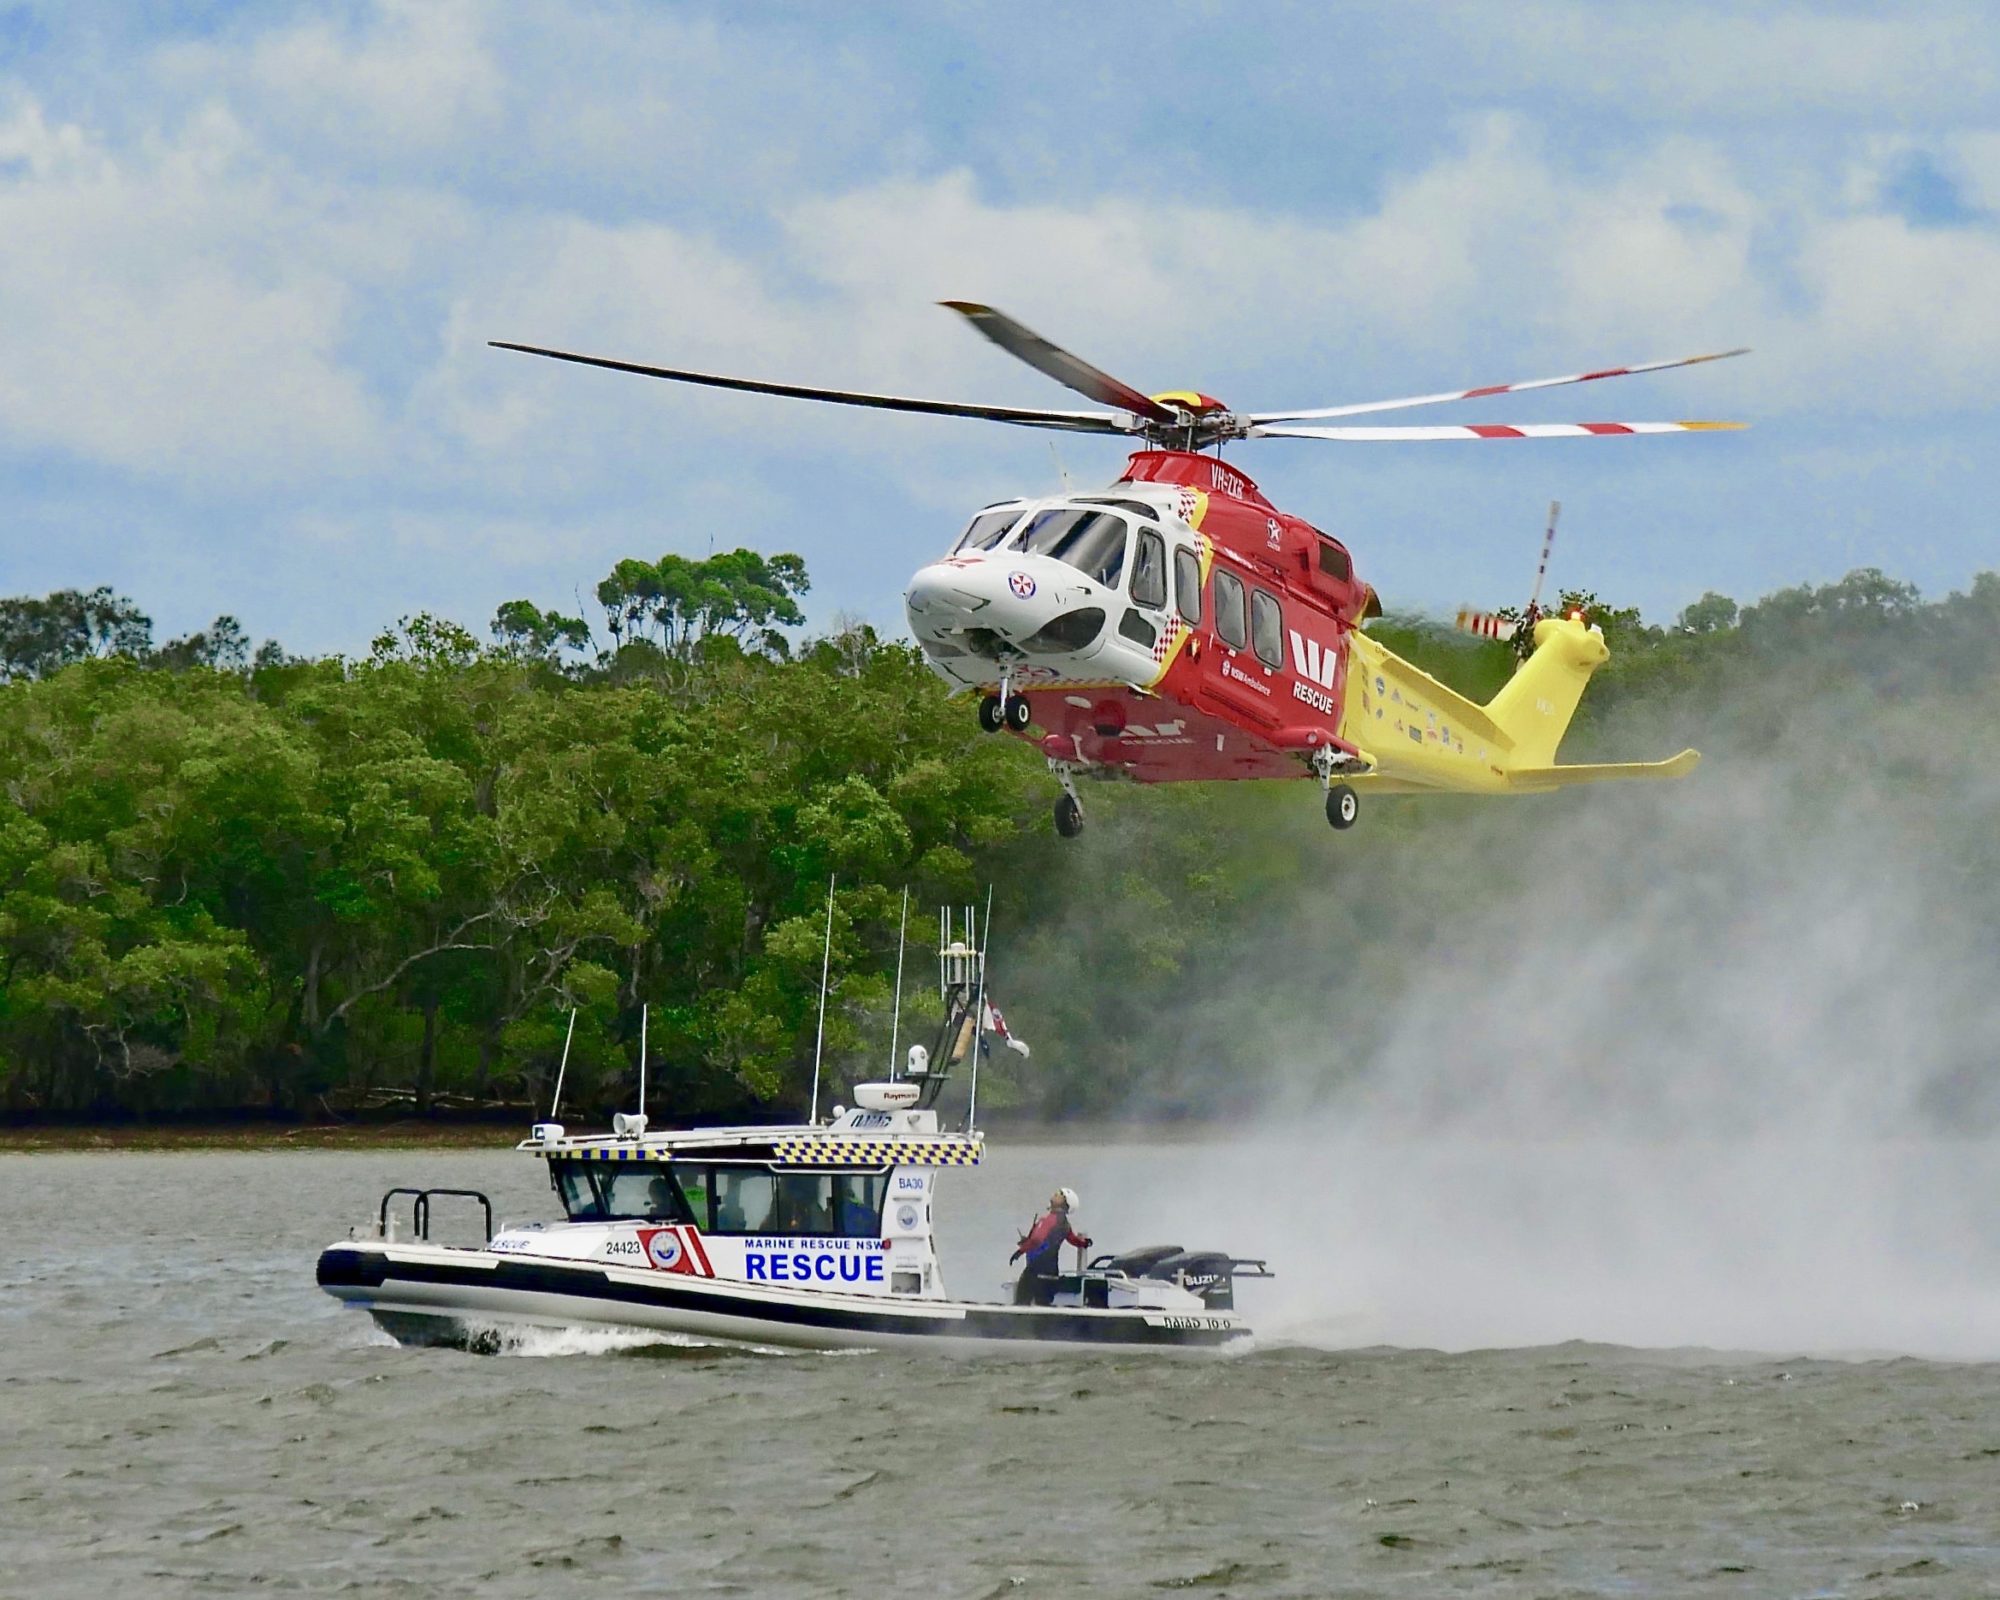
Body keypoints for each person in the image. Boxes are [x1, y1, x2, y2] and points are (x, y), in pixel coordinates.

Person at [1010, 1187, 1091, 1306]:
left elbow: (1037, 1240)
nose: (1055, 1194)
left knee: (1021, 1303)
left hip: (1035, 1272)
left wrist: (1020, 1251)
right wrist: (1084, 1243)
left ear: (1065, 1202)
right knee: (1043, 1304)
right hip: (1051, 1273)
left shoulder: (1049, 1219)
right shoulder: (1065, 1223)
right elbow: (1073, 1239)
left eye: (1059, 1194)